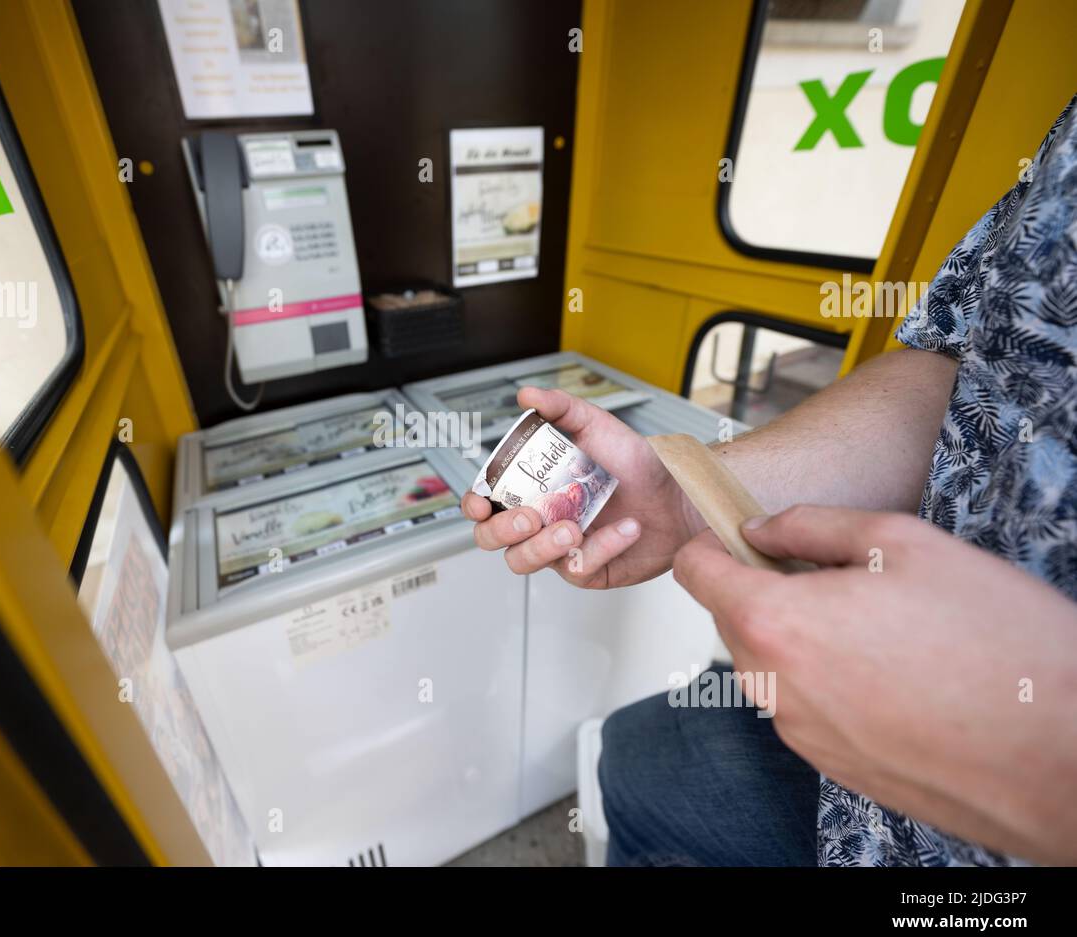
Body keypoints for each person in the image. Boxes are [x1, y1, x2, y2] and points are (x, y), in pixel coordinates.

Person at [461, 95, 1077, 866]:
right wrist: (690, 494)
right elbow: (958, 373)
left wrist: (1030, 757)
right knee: (640, 754)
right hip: (861, 760)